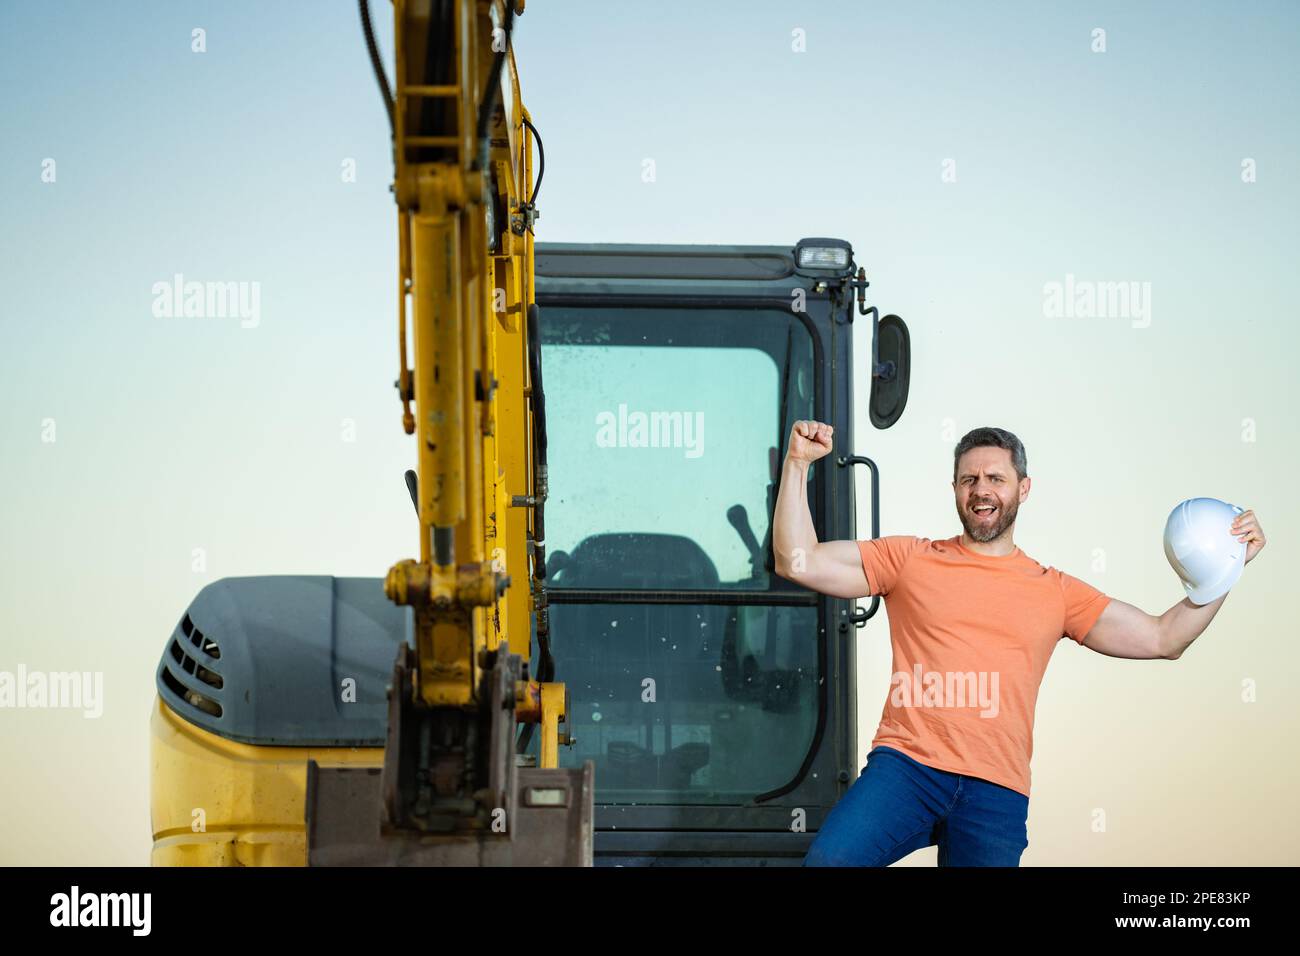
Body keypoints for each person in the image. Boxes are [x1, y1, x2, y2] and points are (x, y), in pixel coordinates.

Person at [774, 422, 1266, 866]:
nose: (981, 490)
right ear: (954, 490)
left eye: (995, 479)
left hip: (996, 791)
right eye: (969, 480)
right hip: (908, 770)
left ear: (1022, 488)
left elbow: (1164, 638)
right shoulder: (909, 558)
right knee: (830, 862)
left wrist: (1229, 564)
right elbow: (798, 561)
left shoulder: (1055, 591)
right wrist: (797, 464)